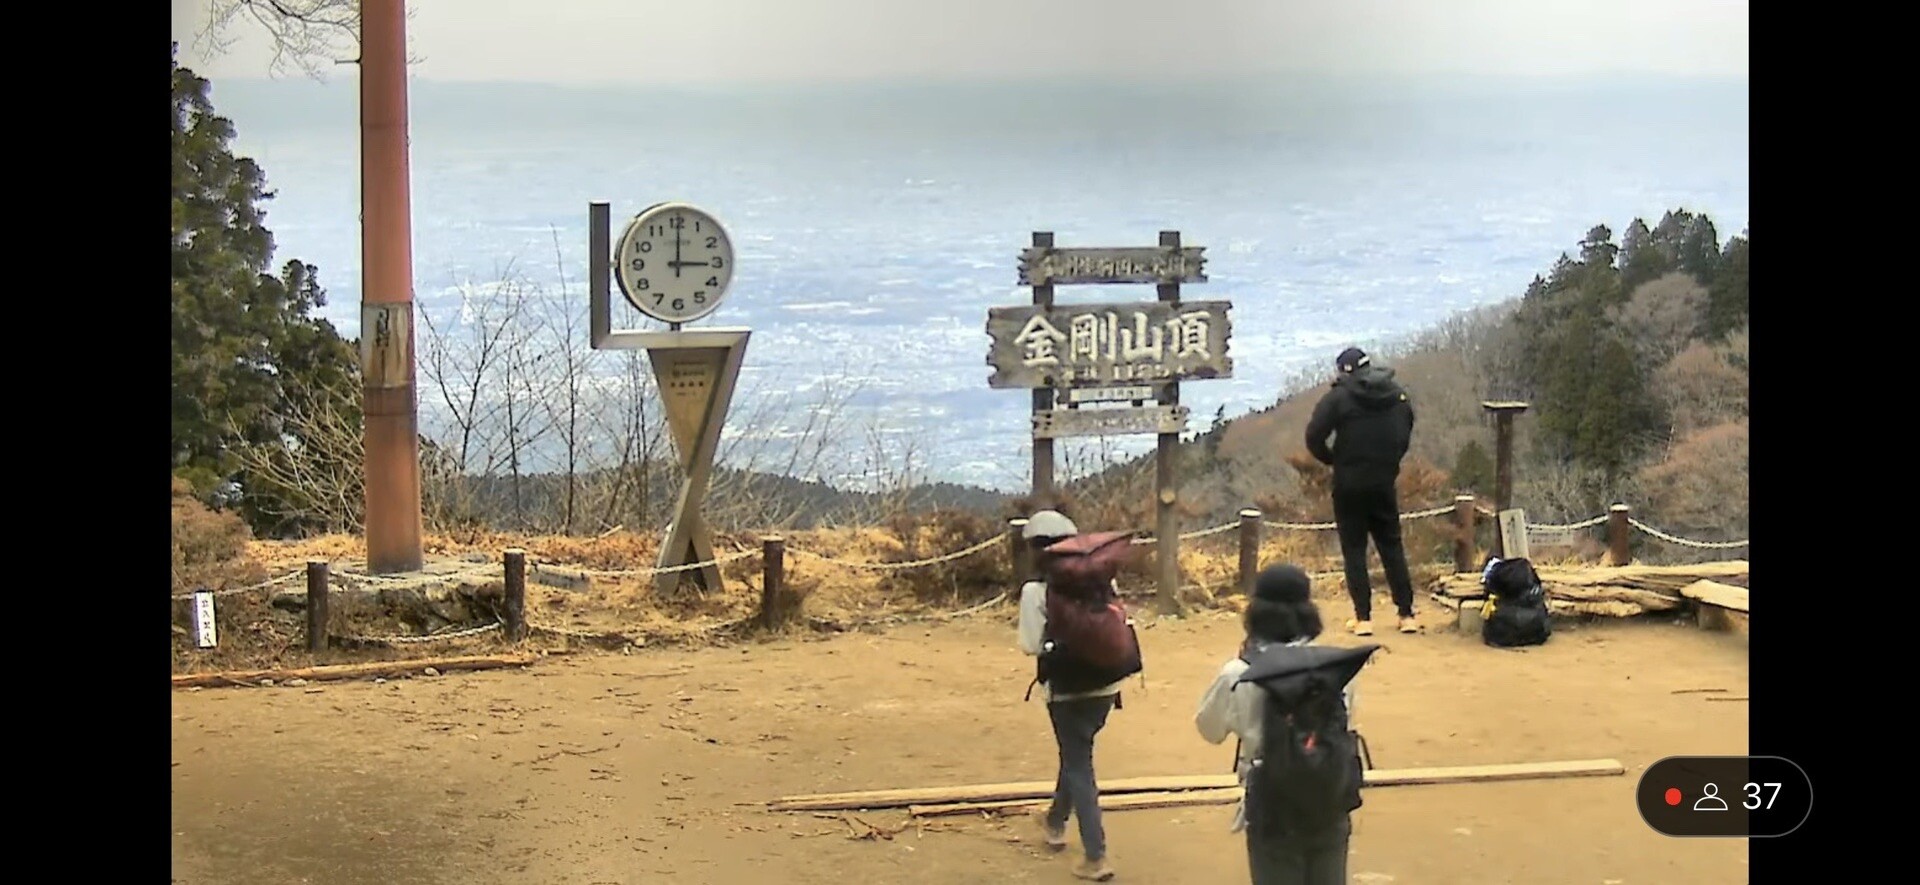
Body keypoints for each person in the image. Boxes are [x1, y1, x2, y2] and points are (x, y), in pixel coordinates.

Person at [1195, 564, 1362, 885]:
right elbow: (1348, 721)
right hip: (1330, 796)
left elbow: (1209, 730)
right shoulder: (1337, 668)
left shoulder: (1238, 673)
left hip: (1272, 804)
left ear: (1255, 611)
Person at [1017, 509, 1121, 882]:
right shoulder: (1102, 579)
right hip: (1108, 685)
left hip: (1065, 691)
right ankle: (1054, 822)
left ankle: (1096, 856)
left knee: (1079, 764)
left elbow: (1030, 644)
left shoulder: (1036, 591)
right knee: (1076, 754)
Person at [1304, 346, 1419, 636]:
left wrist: (1333, 460)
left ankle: (1363, 619)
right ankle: (1406, 615)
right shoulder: (1397, 394)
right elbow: (1405, 431)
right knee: (1392, 545)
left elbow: (1314, 436)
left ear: (1344, 371)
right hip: (1384, 480)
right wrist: (1389, 460)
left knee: (1354, 549)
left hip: (1349, 483)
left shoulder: (1338, 397)